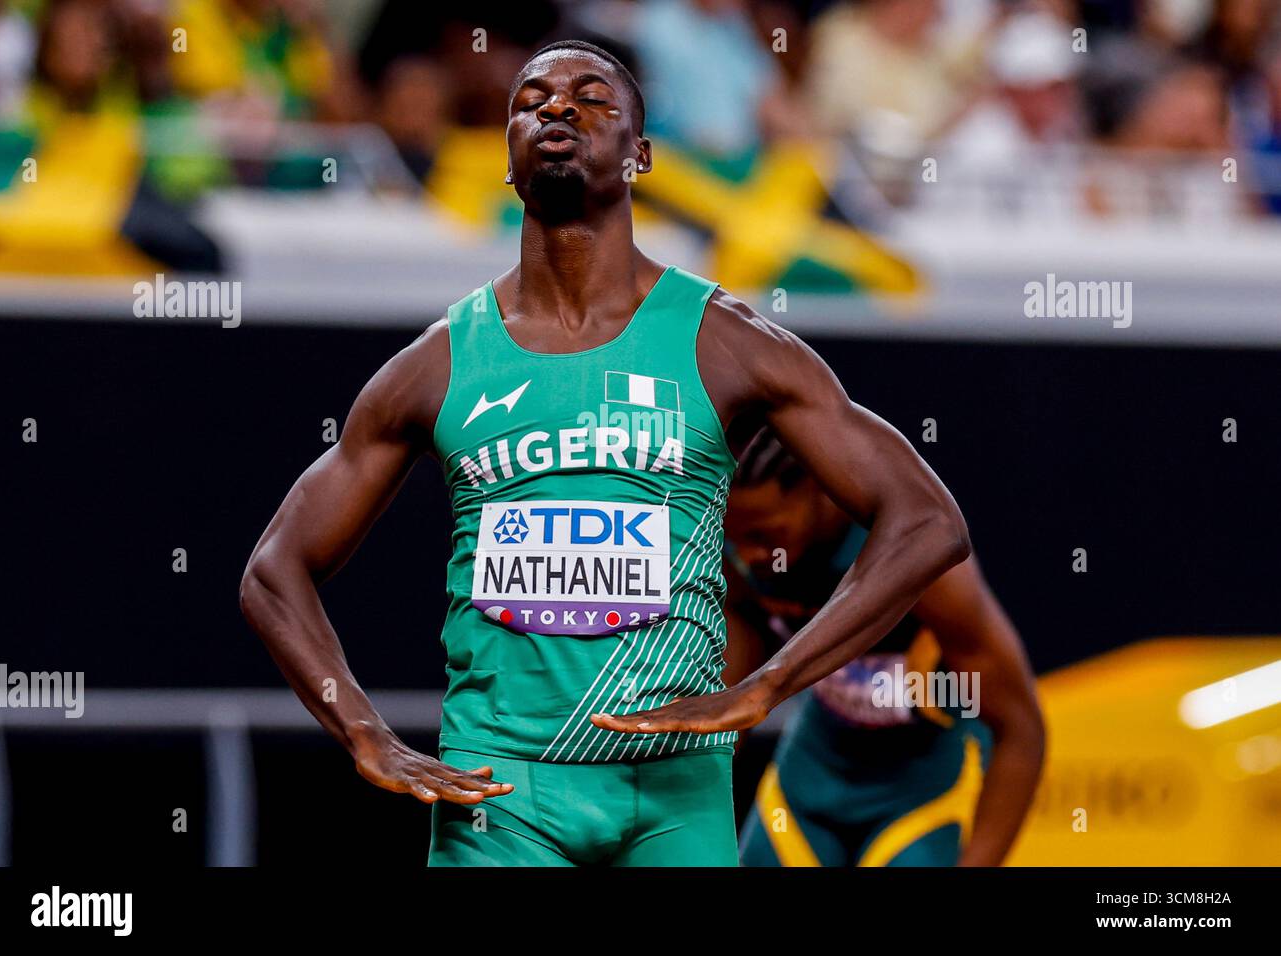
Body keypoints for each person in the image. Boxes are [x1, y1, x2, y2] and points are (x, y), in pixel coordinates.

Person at [239, 39, 970, 866]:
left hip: (673, 791)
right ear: (508, 159)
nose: (555, 108)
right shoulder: (439, 363)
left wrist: (767, 686)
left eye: (591, 98)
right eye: (531, 99)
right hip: (501, 795)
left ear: (641, 155)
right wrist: (361, 730)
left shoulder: (724, 342)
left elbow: (925, 519)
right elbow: (273, 571)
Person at [723, 427, 1044, 866]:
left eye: (764, 535)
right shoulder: (744, 547)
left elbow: (1023, 731)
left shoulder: (923, 559)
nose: (750, 555)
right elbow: (728, 703)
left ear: (820, 486)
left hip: (921, 792)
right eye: (734, 536)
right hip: (808, 781)